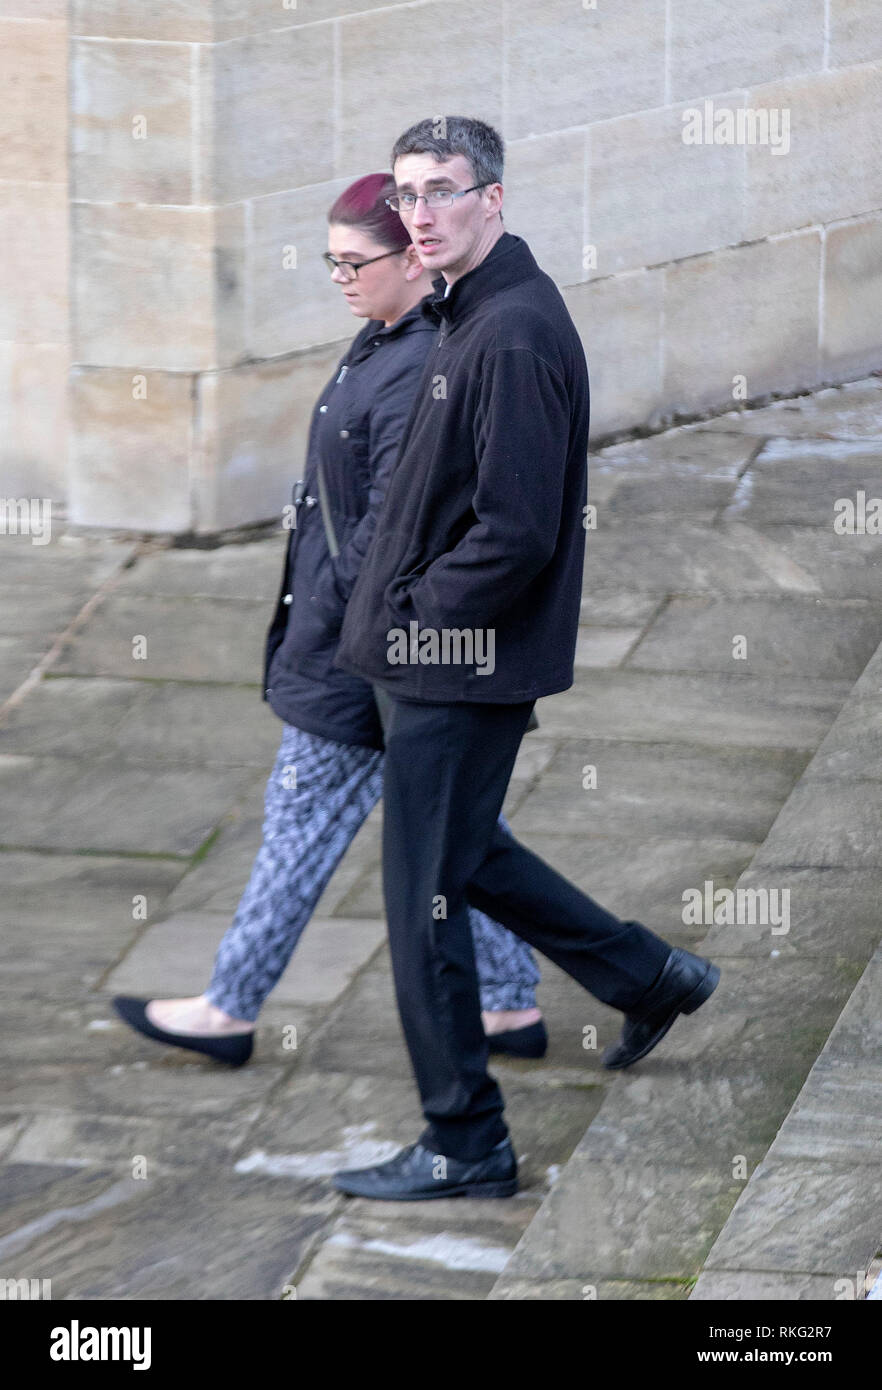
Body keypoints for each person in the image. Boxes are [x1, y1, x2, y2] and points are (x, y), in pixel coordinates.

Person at [331, 119, 720, 1201]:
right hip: (435, 666)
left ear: (493, 199)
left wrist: (410, 620)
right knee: (472, 859)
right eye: (407, 193)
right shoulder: (471, 309)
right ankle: (650, 975)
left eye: (443, 190)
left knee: (424, 906)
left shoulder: (507, 332)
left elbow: (513, 532)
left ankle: (467, 1141)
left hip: (453, 671)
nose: (420, 211)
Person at [112, 173, 548, 1067]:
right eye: (331, 262)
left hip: (359, 654)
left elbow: (388, 536)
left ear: (416, 260)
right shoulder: (387, 339)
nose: (340, 278)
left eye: (355, 262)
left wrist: (323, 632)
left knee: (302, 822)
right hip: (367, 649)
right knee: (454, 837)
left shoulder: (417, 367)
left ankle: (229, 1009)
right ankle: (512, 1004)